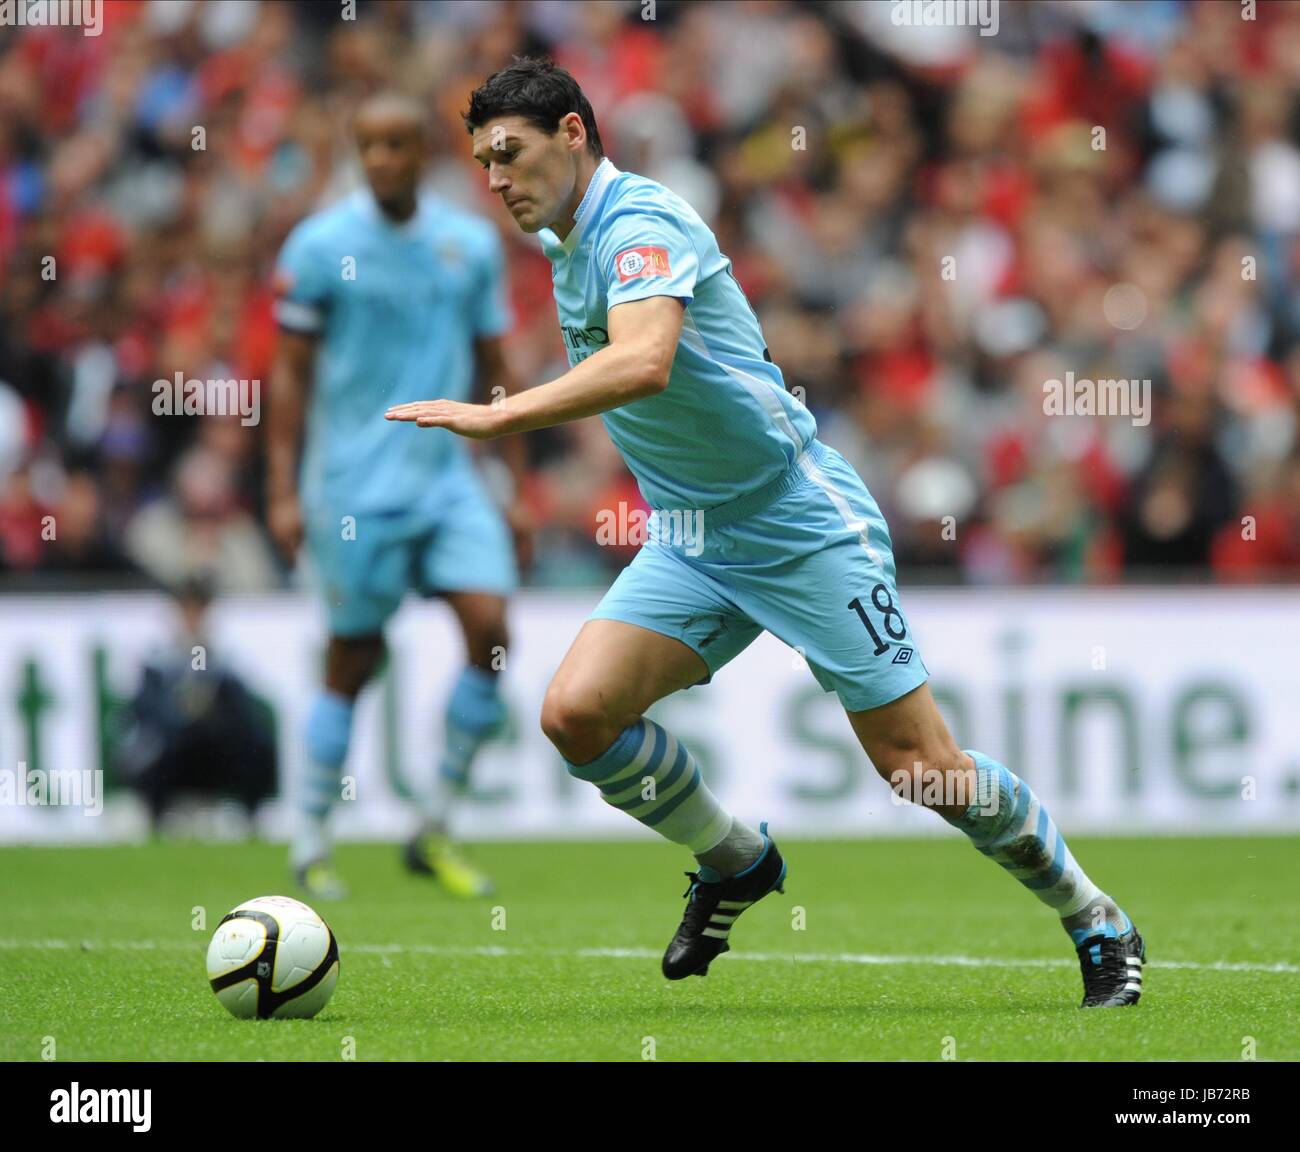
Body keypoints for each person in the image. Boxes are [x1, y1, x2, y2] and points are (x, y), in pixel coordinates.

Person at [388, 60, 1143, 1007]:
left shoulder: (639, 222)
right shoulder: (564, 240)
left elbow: (647, 361)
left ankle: (1095, 915)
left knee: (923, 773)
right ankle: (736, 859)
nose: (494, 178)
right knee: (576, 716)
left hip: (798, 523)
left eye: (510, 153)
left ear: (574, 133)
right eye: (482, 162)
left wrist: (503, 417)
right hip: (693, 539)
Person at [270, 92, 532, 900]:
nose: (384, 159)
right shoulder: (320, 247)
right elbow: (290, 374)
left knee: (491, 633)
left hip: (450, 477)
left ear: (426, 152)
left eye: (399, 145)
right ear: (357, 152)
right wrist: (282, 488)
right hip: (355, 486)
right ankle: (312, 839)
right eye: (370, 146)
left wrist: (514, 483)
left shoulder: (466, 244)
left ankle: (434, 824)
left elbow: (496, 364)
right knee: (353, 659)